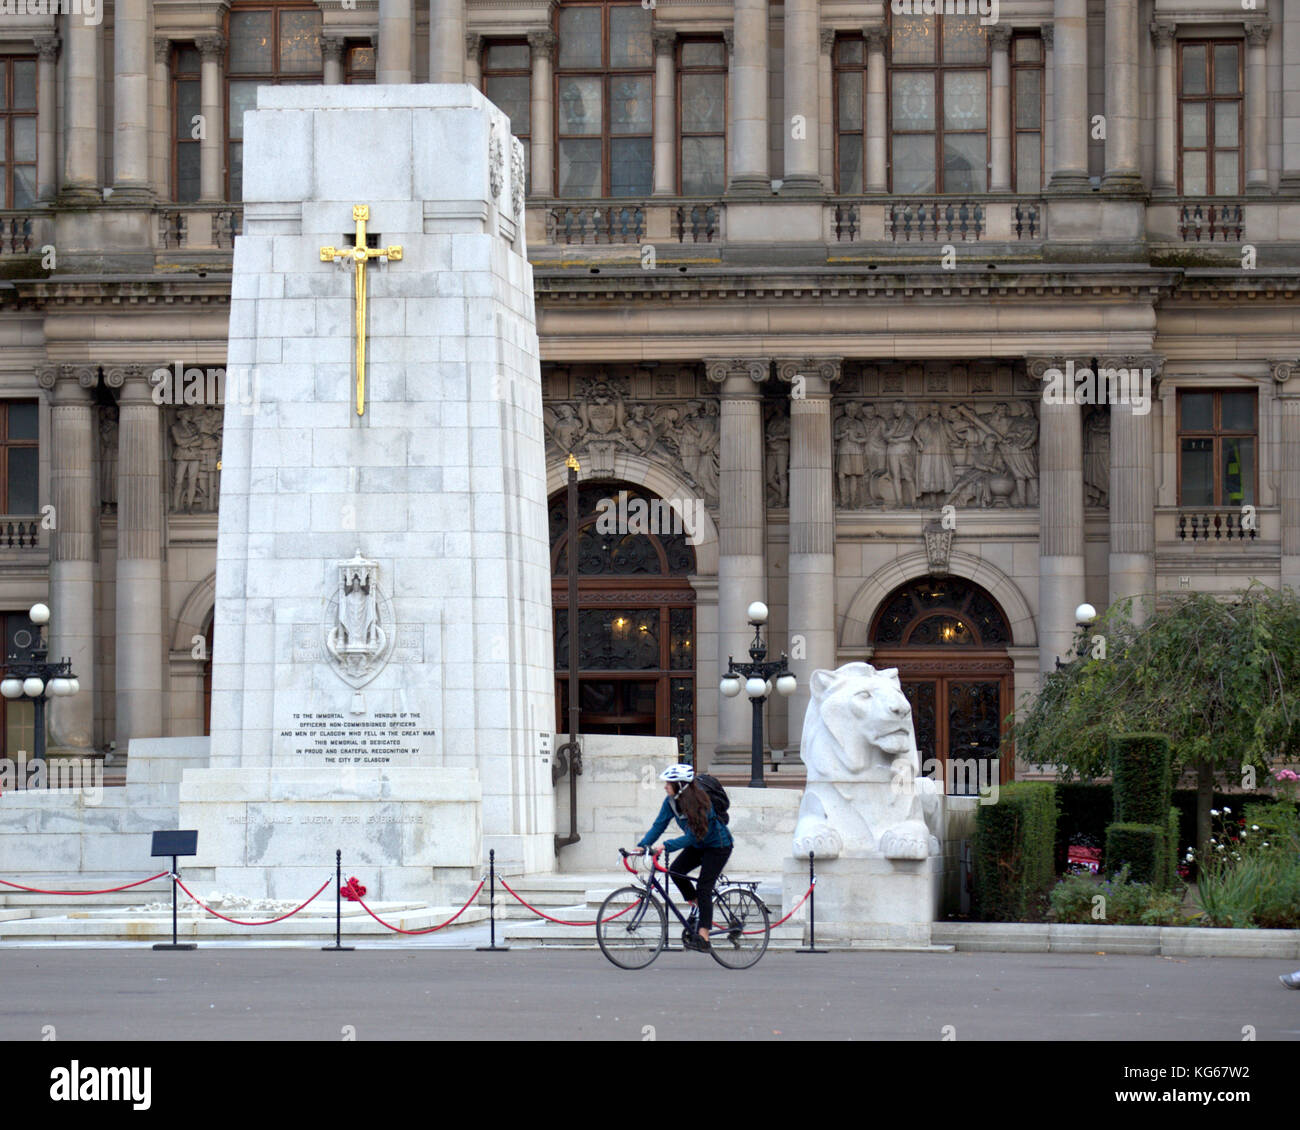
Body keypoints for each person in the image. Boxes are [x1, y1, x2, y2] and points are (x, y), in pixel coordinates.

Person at [633, 764, 733, 952]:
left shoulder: (702, 801)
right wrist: (643, 845)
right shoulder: (670, 801)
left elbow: (695, 835)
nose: (665, 786)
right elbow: (659, 825)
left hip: (718, 846)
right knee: (676, 871)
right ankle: (698, 907)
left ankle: (704, 937)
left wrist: (666, 846)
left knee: (704, 887)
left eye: (668, 783)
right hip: (698, 846)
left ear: (680, 785)